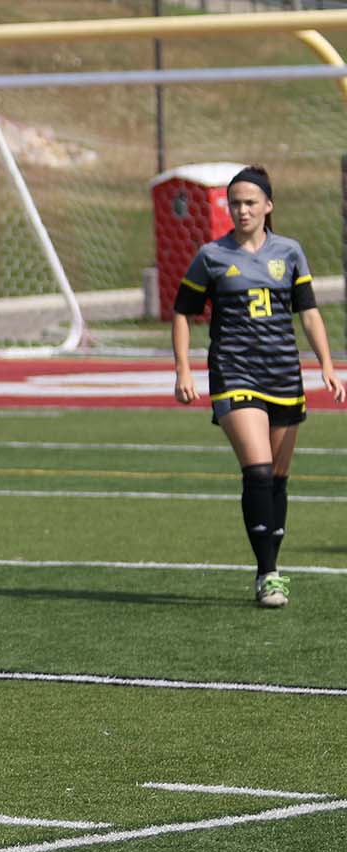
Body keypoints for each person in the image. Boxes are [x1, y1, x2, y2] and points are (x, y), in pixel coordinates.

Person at [172, 165, 342, 609]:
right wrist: (183, 370)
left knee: (279, 481)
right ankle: (268, 575)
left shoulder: (290, 252)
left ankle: (271, 565)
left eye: (250, 202)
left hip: (283, 374)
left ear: (268, 205)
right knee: (259, 471)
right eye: (235, 202)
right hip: (234, 372)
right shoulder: (211, 255)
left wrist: (326, 364)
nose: (242, 210)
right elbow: (182, 311)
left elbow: (308, 312)